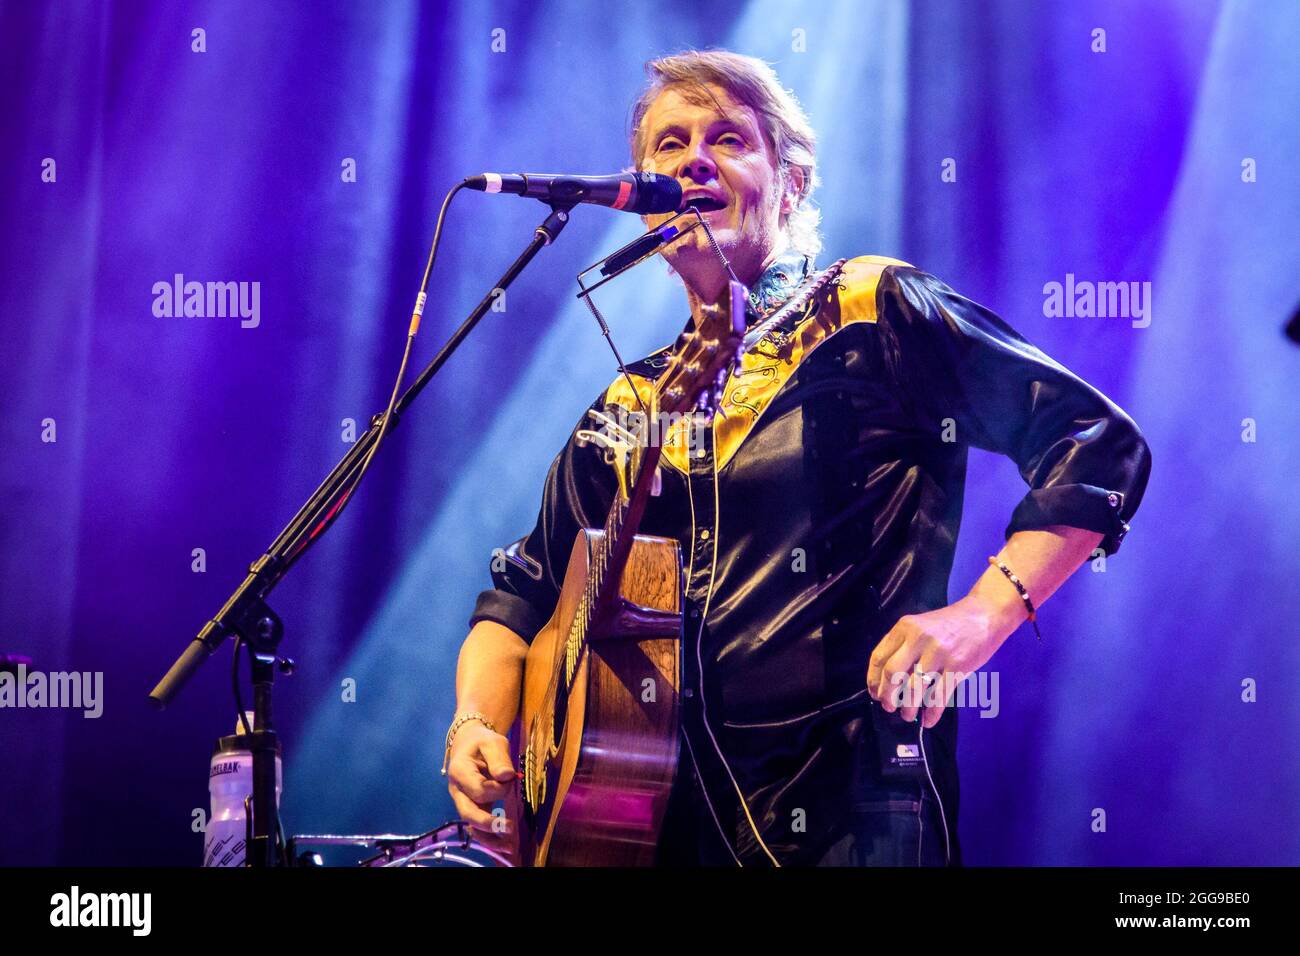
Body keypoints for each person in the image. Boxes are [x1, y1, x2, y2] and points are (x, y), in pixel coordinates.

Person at [442, 49, 1151, 866]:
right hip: (664, 834)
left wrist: (977, 621)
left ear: (793, 181)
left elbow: (1097, 444)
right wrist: (476, 726)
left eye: (730, 139)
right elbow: (519, 600)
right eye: (669, 146)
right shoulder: (627, 408)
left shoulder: (869, 310)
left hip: (851, 812)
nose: (694, 159)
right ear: (641, 201)